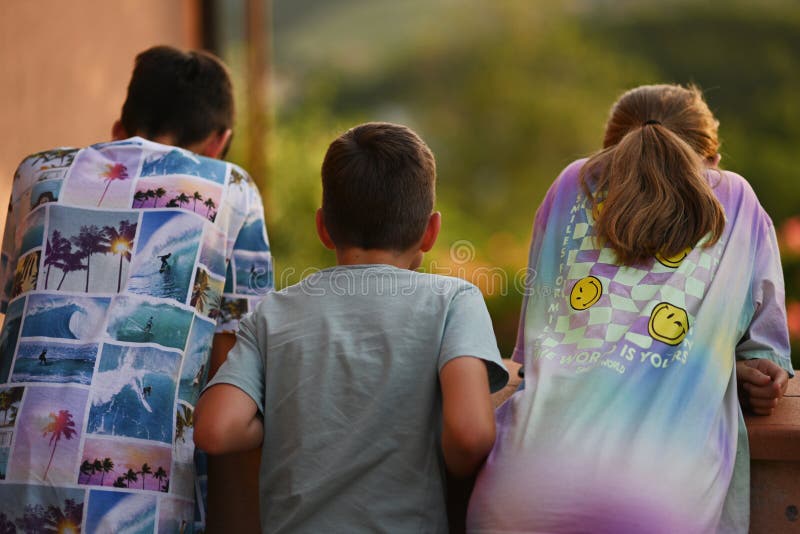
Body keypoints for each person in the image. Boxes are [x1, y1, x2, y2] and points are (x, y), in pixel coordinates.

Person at [466, 85, 792, 534]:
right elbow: (767, 347)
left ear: (609, 155)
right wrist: (757, 369)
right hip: (659, 505)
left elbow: (534, 354)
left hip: (515, 495)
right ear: (712, 160)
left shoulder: (569, 186)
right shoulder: (735, 199)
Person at [0, 46, 272, 531]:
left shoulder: (33, 176)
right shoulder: (234, 189)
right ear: (219, 141)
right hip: (145, 493)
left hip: (15, 468)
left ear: (118, 131)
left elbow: (15, 309)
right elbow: (236, 367)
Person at [194, 122, 509, 533]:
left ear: (323, 227)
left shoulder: (273, 313)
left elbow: (216, 430)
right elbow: (470, 435)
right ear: (430, 231)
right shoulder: (453, 301)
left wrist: (287, 415)